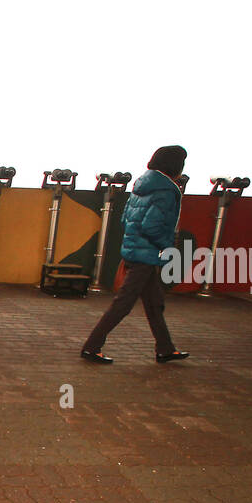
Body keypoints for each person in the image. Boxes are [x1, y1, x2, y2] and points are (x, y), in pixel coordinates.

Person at [81, 145, 190, 364]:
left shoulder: (143, 183)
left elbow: (125, 219)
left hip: (135, 250)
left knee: (154, 303)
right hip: (146, 256)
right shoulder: (167, 190)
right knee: (123, 304)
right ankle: (91, 346)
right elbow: (152, 226)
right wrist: (166, 245)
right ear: (176, 165)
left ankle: (165, 348)